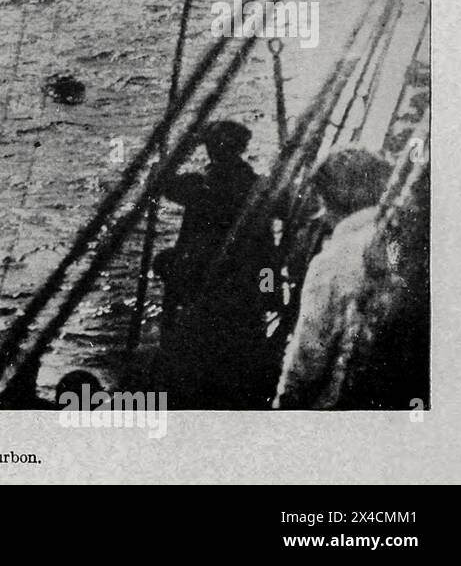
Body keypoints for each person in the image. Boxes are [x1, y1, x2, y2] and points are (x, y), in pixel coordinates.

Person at [156, 120, 276, 406]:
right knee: (240, 363)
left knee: (198, 360)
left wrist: (184, 145)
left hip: (204, 292)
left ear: (211, 150)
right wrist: (269, 293)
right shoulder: (258, 188)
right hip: (247, 296)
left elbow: (161, 181)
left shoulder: (200, 187)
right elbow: (267, 256)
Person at [274, 149, 395, 409]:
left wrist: (283, 406)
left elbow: (307, 359)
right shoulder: (408, 244)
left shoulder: (332, 262)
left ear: (325, 198)